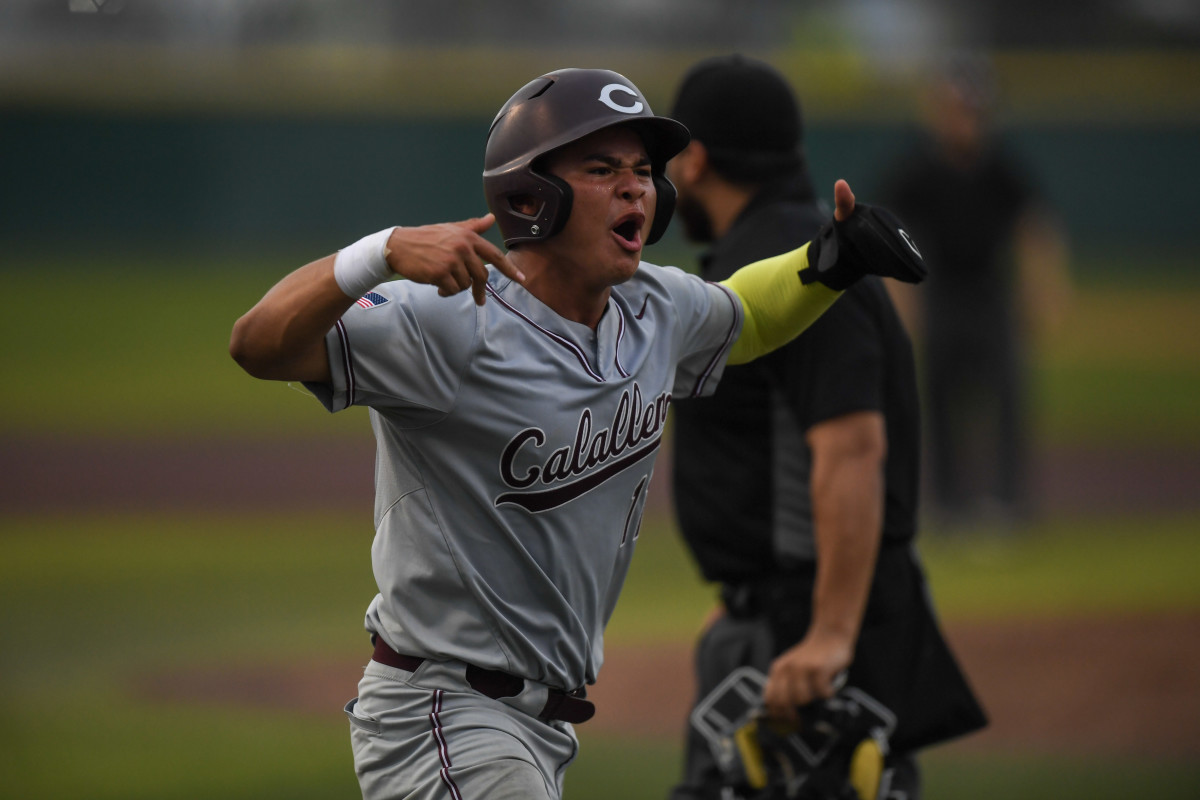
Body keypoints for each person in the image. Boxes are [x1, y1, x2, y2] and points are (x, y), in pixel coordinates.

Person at [229, 67, 920, 800]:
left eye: (644, 172)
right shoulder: (444, 318)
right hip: (441, 714)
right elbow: (256, 345)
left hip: (541, 729)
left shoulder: (654, 307)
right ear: (531, 196)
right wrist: (378, 252)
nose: (635, 189)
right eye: (602, 170)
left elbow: (744, 316)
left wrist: (833, 262)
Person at [664, 55, 988, 800]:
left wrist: (828, 634)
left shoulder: (800, 269)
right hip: (779, 621)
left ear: (701, 157)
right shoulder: (784, 253)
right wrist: (743, 593)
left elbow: (851, 447)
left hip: (810, 644)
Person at [880, 54, 1071, 531]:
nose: (963, 119)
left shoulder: (998, 166)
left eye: (970, 109)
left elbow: (1036, 225)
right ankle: (950, 506)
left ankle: (1008, 504)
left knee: (1006, 395)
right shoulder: (919, 167)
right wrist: (902, 305)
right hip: (940, 294)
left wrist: (1044, 289)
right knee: (941, 398)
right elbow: (886, 234)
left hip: (990, 296)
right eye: (954, 108)